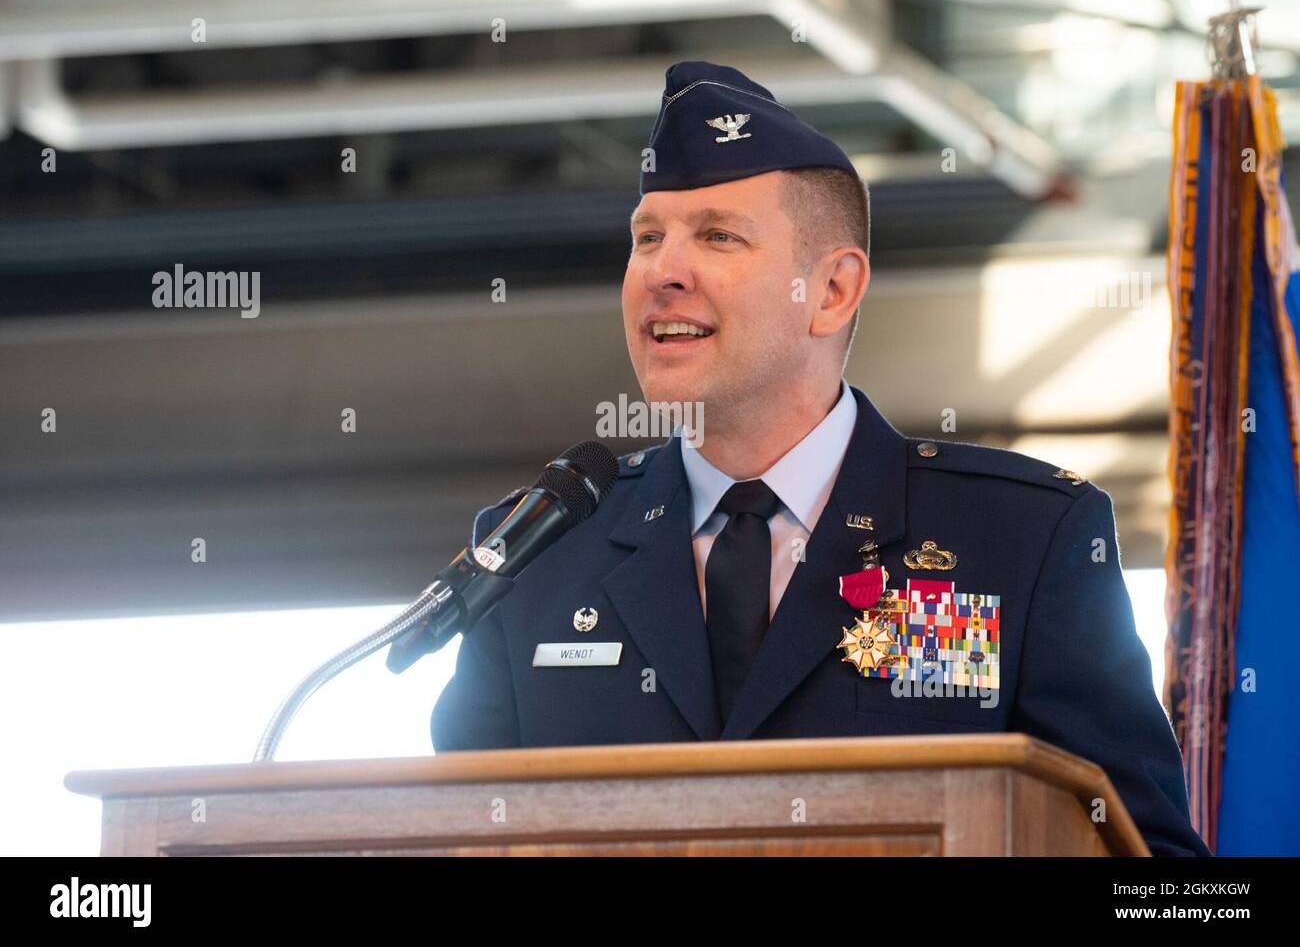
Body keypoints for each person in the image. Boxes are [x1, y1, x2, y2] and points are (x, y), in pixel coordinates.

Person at [432, 61, 1209, 856]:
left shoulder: (1022, 539)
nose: (662, 271)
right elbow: (451, 840)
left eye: (718, 235)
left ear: (834, 291)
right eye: (647, 237)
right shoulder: (538, 555)